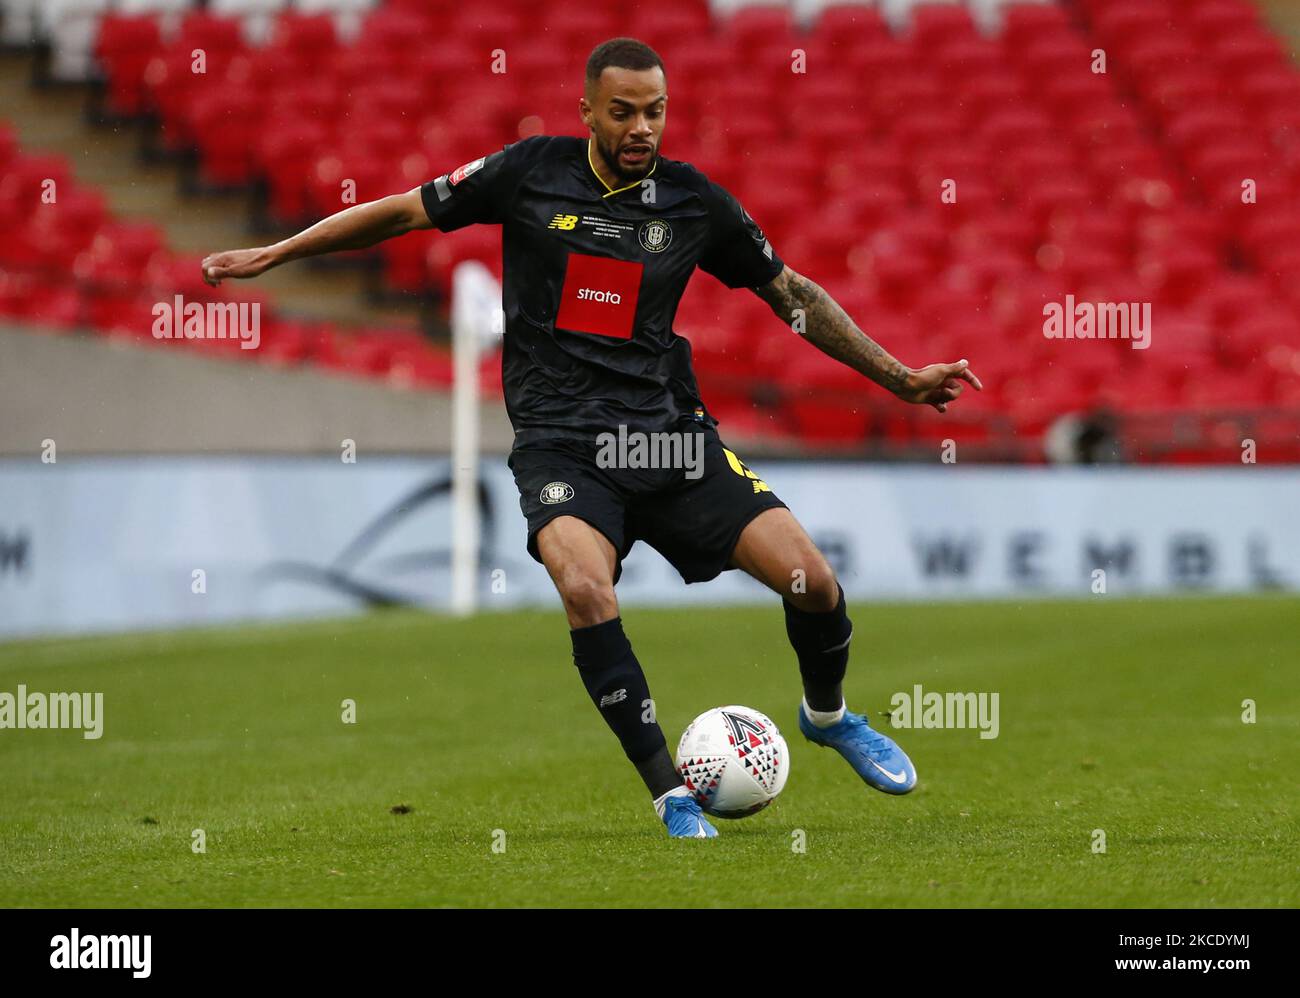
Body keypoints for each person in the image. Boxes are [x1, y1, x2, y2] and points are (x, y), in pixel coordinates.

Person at [201, 37, 982, 838]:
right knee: (585, 589)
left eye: (655, 111)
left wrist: (899, 377)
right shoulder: (530, 171)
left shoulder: (694, 204)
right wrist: (279, 252)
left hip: (668, 440)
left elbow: (793, 295)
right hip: (563, 443)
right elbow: (403, 210)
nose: (642, 127)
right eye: (623, 112)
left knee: (812, 581)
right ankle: (669, 793)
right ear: (587, 111)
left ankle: (827, 715)